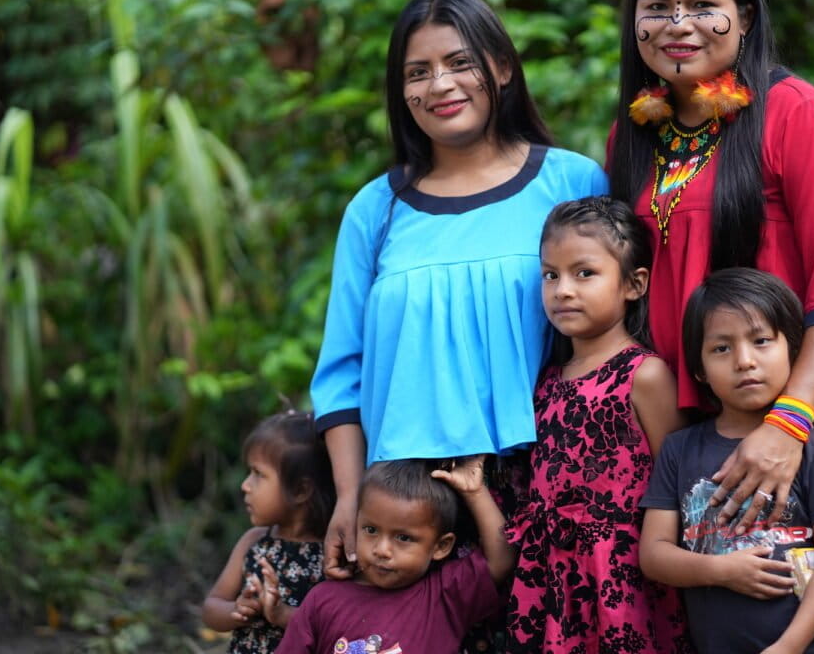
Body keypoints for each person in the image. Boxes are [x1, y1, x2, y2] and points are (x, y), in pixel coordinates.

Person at [309, 0, 608, 580]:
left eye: (459, 62)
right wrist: (349, 497)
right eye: (417, 72)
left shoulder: (572, 182)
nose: (439, 84)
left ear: (502, 67)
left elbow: (615, 338)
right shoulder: (375, 210)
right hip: (408, 509)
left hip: (553, 483)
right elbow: (342, 373)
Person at [607, 0, 814, 527]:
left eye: (703, 5)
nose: (678, 24)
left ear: (745, 16)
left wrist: (787, 424)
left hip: (792, 423)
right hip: (681, 430)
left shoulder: (798, 115)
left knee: (794, 583)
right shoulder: (631, 135)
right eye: (657, 8)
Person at [640, 268, 814, 653]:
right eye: (721, 348)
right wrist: (720, 570)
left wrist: (788, 647)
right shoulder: (680, 450)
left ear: (793, 350)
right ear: (699, 369)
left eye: (761, 341)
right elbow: (653, 554)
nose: (744, 361)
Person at [505, 196, 691, 653]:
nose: (562, 290)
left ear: (633, 284)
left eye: (584, 273)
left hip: (622, 578)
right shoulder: (544, 380)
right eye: (550, 275)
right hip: (550, 578)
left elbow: (680, 486)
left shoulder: (644, 375)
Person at [276, 457, 515, 654]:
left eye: (403, 537)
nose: (382, 550)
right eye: (370, 530)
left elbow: (501, 560)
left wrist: (475, 493)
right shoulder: (323, 600)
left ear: (441, 546)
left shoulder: (445, 595)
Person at [203, 411, 335, 653]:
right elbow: (212, 608)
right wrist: (236, 610)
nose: (245, 485)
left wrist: (283, 614)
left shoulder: (334, 555)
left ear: (300, 490)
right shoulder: (254, 541)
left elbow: (337, 629)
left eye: (258, 474)